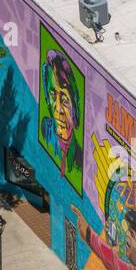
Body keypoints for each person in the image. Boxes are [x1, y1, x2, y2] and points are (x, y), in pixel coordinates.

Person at [40, 51, 81, 183]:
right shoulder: (46, 131)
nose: (58, 109)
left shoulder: (79, 159)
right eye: (53, 96)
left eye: (64, 100)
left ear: (74, 106)